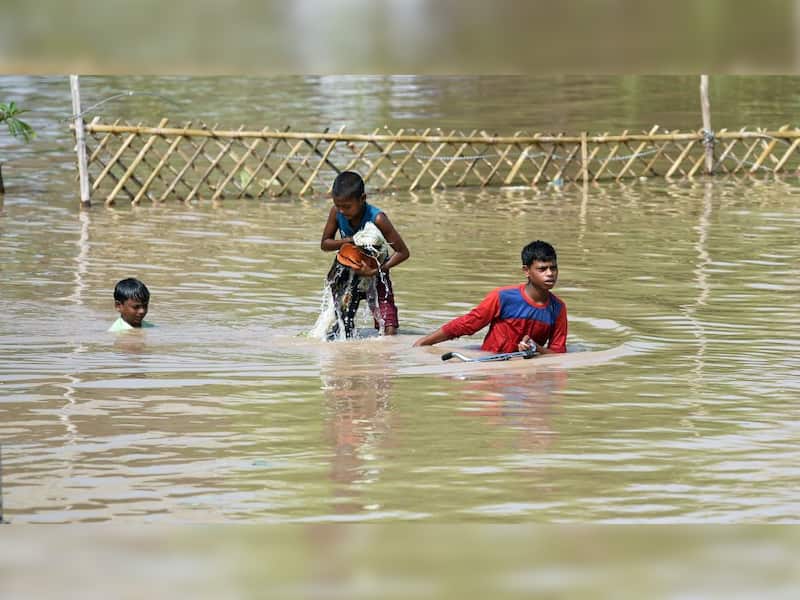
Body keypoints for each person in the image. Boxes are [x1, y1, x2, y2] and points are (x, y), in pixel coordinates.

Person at [413, 240, 567, 354]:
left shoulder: (558, 308)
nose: (550, 274)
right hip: (491, 363)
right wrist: (424, 343)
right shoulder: (502, 297)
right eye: (542, 269)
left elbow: (558, 354)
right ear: (526, 271)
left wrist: (536, 349)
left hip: (525, 370)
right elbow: (467, 324)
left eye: (553, 268)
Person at [320, 171, 410, 335]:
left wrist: (376, 271)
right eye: (337, 205)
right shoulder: (336, 212)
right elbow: (325, 243)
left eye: (346, 206)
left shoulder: (378, 219)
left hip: (377, 273)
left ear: (362, 199)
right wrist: (350, 241)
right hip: (348, 272)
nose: (341, 210)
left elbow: (403, 252)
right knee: (343, 323)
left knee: (387, 326)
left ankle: (388, 357)